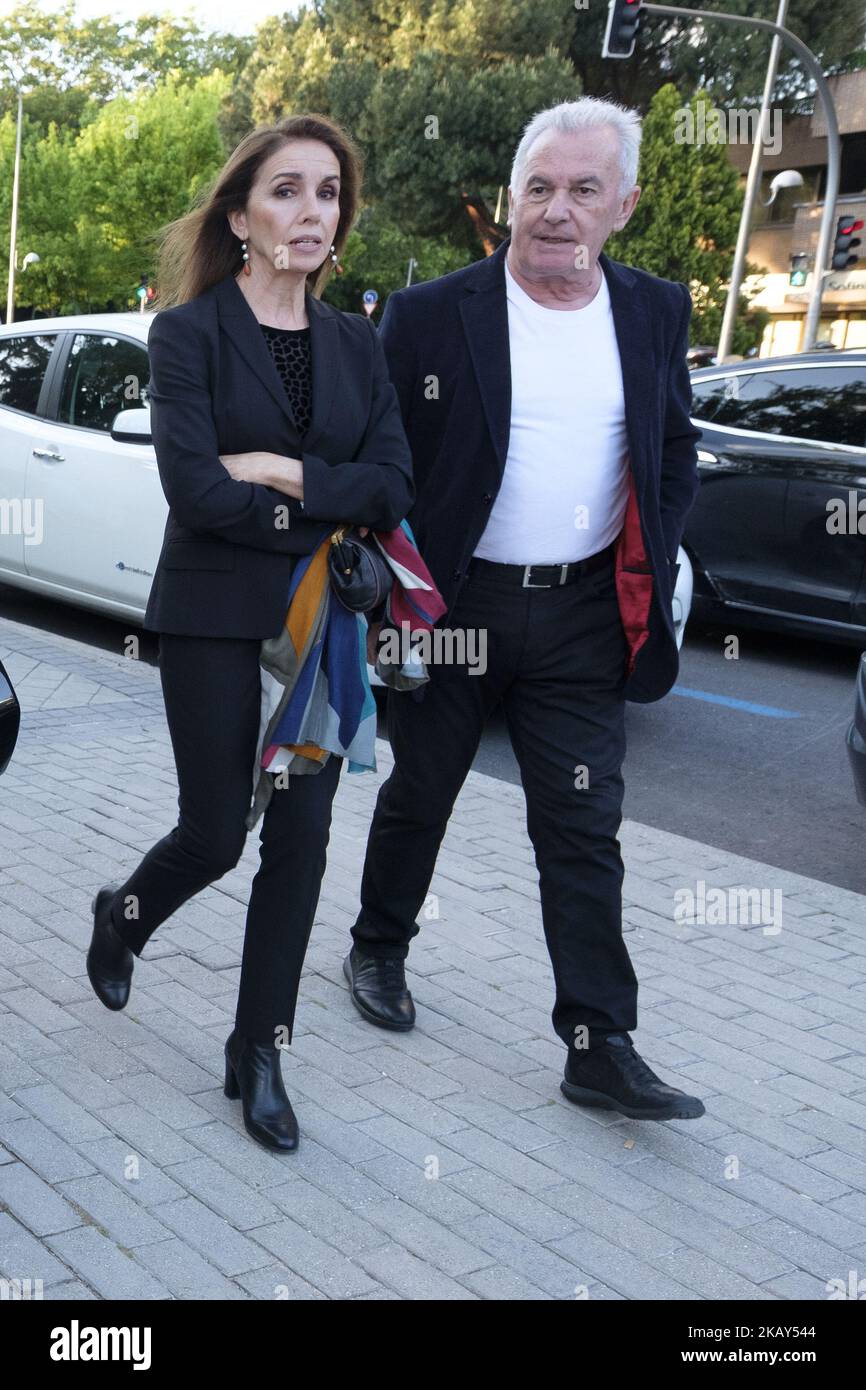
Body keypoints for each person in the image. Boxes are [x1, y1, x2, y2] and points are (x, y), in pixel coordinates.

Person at [346, 97, 706, 1123]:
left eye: (581, 189)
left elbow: (670, 444)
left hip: (586, 613)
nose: (554, 210)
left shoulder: (652, 310)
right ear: (511, 198)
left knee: (584, 825)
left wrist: (655, 541)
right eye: (536, 188)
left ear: (622, 205)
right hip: (457, 606)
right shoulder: (430, 314)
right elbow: (379, 455)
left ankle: (597, 1041)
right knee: (423, 790)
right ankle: (377, 948)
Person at [85, 114, 413, 1152]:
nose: (309, 209)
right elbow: (191, 489)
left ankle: (257, 1050)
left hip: (323, 625)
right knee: (219, 832)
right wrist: (324, 496)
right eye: (285, 190)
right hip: (211, 613)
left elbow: (396, 487)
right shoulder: (188, 335)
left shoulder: (360, 341)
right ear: (240, 216)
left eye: (325, 192)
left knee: (303, 846)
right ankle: (123, 916)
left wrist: (274, 470)